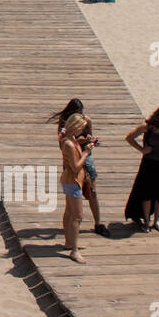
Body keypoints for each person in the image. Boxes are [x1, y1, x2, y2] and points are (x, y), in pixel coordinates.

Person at [48, 99, 109, 237]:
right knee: (73, 195)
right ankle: (71, 230)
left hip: (85, 155)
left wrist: (90, 140)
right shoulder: (65, 124)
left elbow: (88, 136)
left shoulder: (86, 120)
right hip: (75, 155)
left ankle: (98, 222)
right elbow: (64, 143)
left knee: (92, 190)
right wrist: (83, 143)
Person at [60, 113, 95, 264]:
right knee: (77, 216)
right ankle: (74, 250)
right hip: (73, 180)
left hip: (70, 180)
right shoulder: (68, 143)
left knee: (69, 212)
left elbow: (74, 145)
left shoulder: (70, 139)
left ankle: (69, 242)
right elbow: (75, 167)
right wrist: (86, 153)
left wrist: (84, 142)